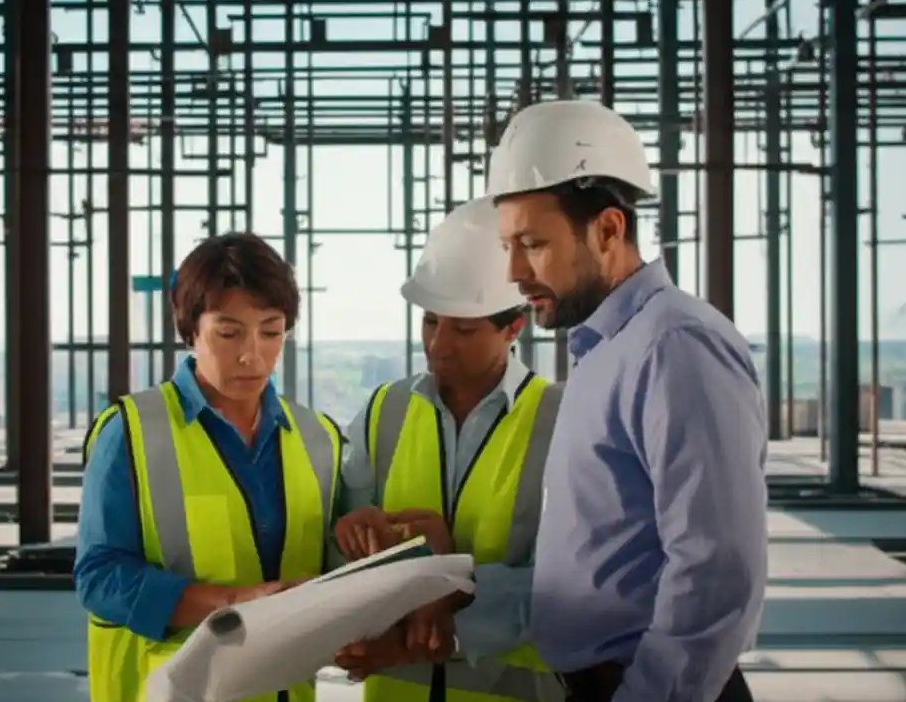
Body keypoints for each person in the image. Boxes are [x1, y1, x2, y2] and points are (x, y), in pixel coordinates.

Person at [486, 98, 768, 702]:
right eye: (508, 244)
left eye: (532, 243)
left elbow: (716, 572)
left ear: (609, 229)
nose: (513, 271)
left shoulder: (676, 346)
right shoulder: (603, 348)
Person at [74, 231, 344, 702]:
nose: (252, 354)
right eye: (228, 332)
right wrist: (235, 604)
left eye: (271, 330)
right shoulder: (132, 432)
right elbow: (99, 578)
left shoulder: (318, 437)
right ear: (190, 330)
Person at [331, 198, 568, 702]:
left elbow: (569, 586)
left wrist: (453, 577)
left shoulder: (562, 422)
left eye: (463, 329)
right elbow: (343, 564)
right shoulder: (385, 412)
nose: (439, 345)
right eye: (430, 321)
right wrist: (353, 541)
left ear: (514, 328)